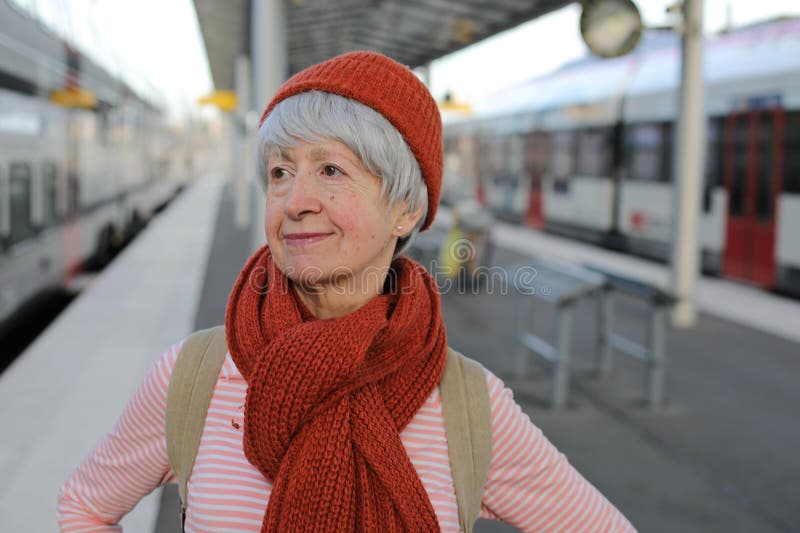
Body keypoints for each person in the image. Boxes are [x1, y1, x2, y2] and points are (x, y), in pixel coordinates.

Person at [58, 51, 635, 532]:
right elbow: (84, 506)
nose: (295, 201)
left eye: (331, 170)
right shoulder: (193, 378)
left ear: (405, 209)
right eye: (281, 172)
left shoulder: (469, 406)